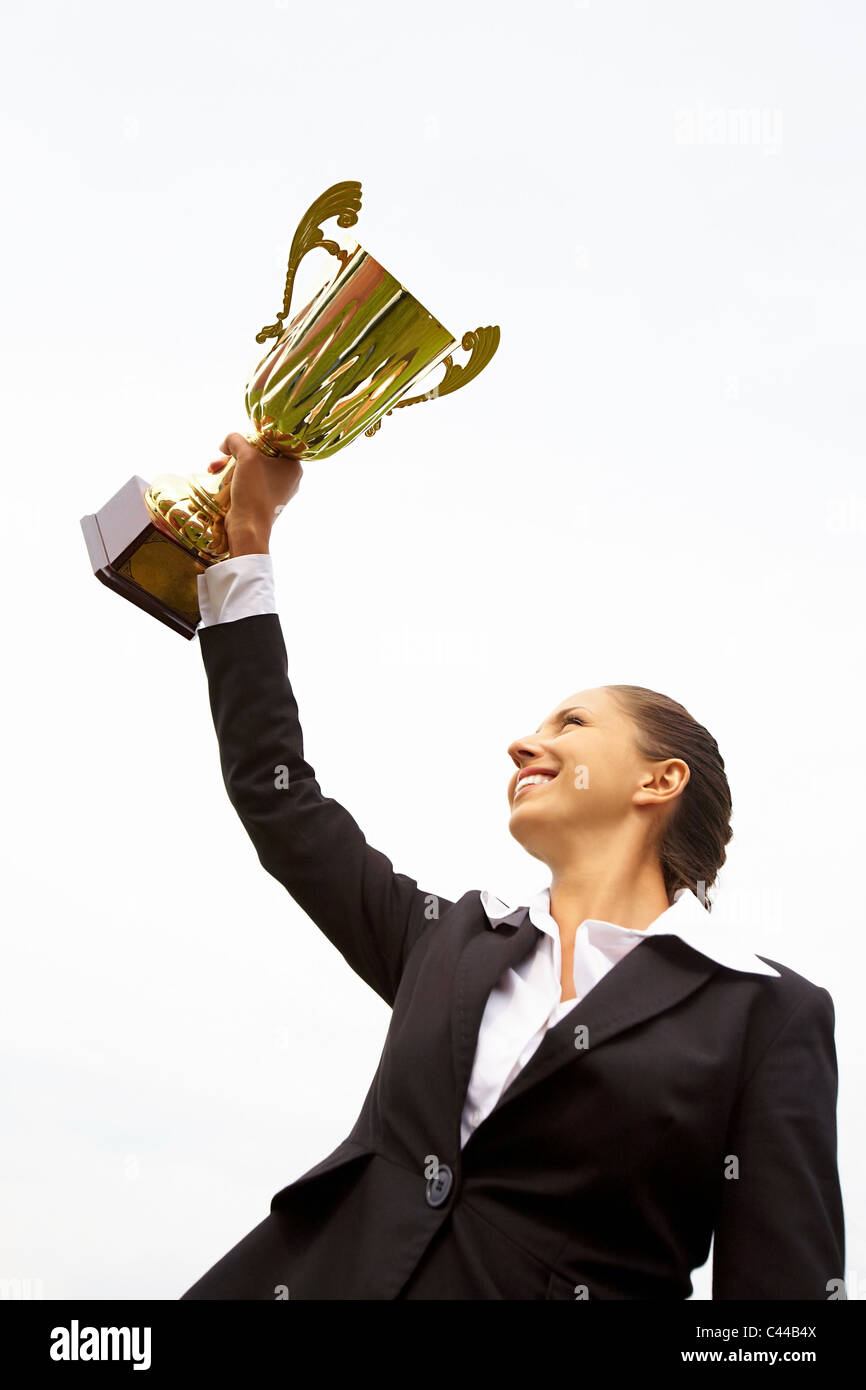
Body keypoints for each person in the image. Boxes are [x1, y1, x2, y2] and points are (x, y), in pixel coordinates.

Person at [180, 432, 845, 1300]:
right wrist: (249, 549)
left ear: (660, 779)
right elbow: (283, 806)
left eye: (571, 724)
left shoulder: (764, 1014)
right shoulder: (445, 943)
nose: (524, 741)